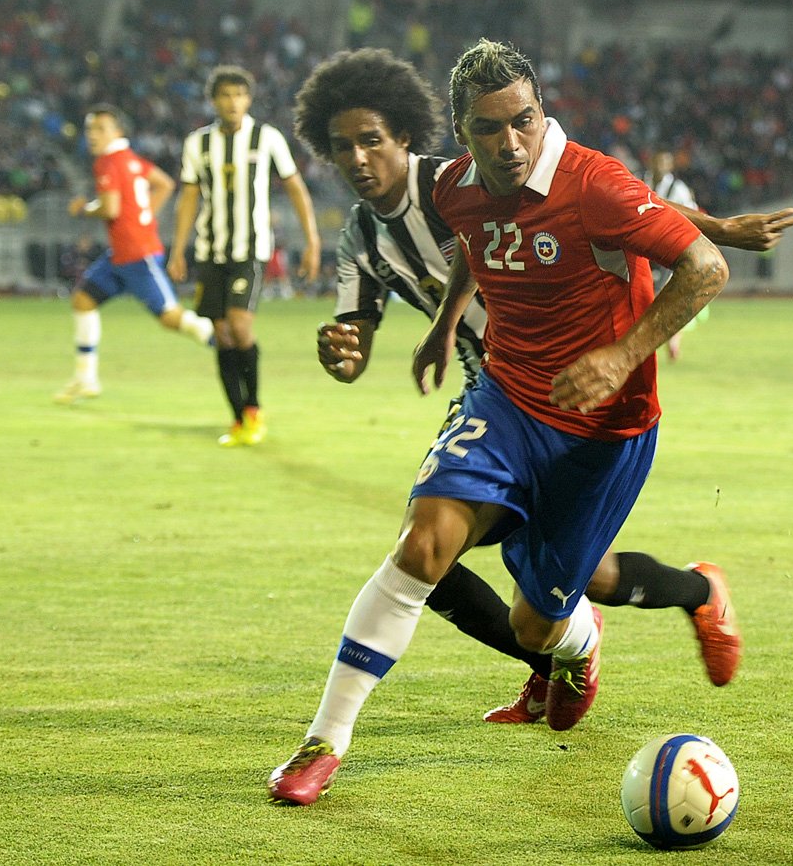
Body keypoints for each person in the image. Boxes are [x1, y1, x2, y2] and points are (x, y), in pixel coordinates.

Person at [268, 39, 744, 806]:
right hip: (507, 395)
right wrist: (443, 321)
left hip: (605, 427)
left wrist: (623, 354)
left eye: (523, 121)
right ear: (462, 134)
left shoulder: (591, 183)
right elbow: (472, 234)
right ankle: (324, 740)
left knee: (540, 616)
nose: (510, 142)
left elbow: (700, 264)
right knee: (424, 541)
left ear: (541, 113)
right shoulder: (449, 190)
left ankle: (664, 605)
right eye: (489, 129)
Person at [167, 65, 321, 446]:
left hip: (250, 250)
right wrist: (177, 248)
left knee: (239, 325)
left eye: (239, 94)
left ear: (248, 99)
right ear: (214, 101)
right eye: (225, 95)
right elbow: (188, 197)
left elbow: (295, 188)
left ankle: (253, 409)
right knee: (221, 334)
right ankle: (238, 418)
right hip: (210, 250)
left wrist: (312, 240)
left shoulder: (266, 138)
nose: (233, 102)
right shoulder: (197, 144)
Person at [54, 104, 215, 405]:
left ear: (118, 132)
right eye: (90, 129)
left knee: (170, 317)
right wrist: (145, 216)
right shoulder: (129, 159)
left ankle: (222, 341)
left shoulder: (107, 163)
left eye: (100, 128)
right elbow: (165, 184)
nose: (92, 135)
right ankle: (85, 378)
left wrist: (84, 209)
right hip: (121, 254)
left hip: (138, 255)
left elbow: (111, 208)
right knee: (83, 300)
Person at [642, 148, 704, 361]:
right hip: (643, 249)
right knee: (644, 295)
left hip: (669, 249)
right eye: (657, 162)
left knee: (667, 294)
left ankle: (672, 339)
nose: (659, 166)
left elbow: (691, 216)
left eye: (664, 163)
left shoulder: (678, 189)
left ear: (669, 166)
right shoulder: (639, 181)